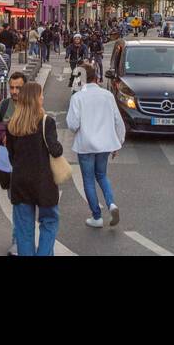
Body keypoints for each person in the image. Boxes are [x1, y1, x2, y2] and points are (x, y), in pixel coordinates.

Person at [5, 81, 64, 256]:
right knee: (49, 222)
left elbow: (11, 155)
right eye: (41, 95)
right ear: (35, 99)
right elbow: (55, 150)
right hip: (44, 182)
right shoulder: (47, 122)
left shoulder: (12, 125)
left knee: (24, 229)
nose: (43, 97)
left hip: (20, 181)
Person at [66, 62, 125, 228]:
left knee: (88, 180)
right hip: (105, 145)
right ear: (95, 77)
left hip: (85, 145)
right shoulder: (107, 95)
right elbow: (117, 121)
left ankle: (97, 216)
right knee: (102, 175)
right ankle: (111, 203)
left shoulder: (77, 97)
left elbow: (72, 124)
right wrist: (118, 142)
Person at [0, 71, 27, 254]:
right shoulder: (3, 106)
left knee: (22, 205)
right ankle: (18, 241)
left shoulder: (32, 107)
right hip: (7, 163)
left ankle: (18, 242)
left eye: (18, 87)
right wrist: (3, 134)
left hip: (28, 164)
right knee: (16, 202)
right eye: (12, 87)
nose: (14, 91)